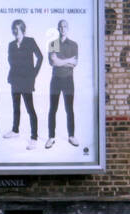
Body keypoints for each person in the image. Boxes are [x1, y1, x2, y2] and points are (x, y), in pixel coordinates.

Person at [4, 19, 43, 149]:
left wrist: (34, 73)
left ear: (23, 29)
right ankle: (15, 130)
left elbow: (40, 57)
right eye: (14, 29)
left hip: (26, 80)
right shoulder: (11, 44)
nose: (15, 31)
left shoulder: (30, 41)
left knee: (30, 108)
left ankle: (34, 137)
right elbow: (10, 60)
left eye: (17, 29)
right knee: (16, 107)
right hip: (15, 80)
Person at [46, 19, 79, 148]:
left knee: (69, 109)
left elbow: (75, 63)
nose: (63, 29)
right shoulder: (53, 43)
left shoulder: (74, 44)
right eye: (61, 27)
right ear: (58, 29)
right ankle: (51, 137)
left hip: (68, 80)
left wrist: (61, 61)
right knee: (52, 109)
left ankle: (71, 136)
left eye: (65, 26)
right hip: (56, 80)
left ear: (68, 28)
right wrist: (68, 60)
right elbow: (54, 62)